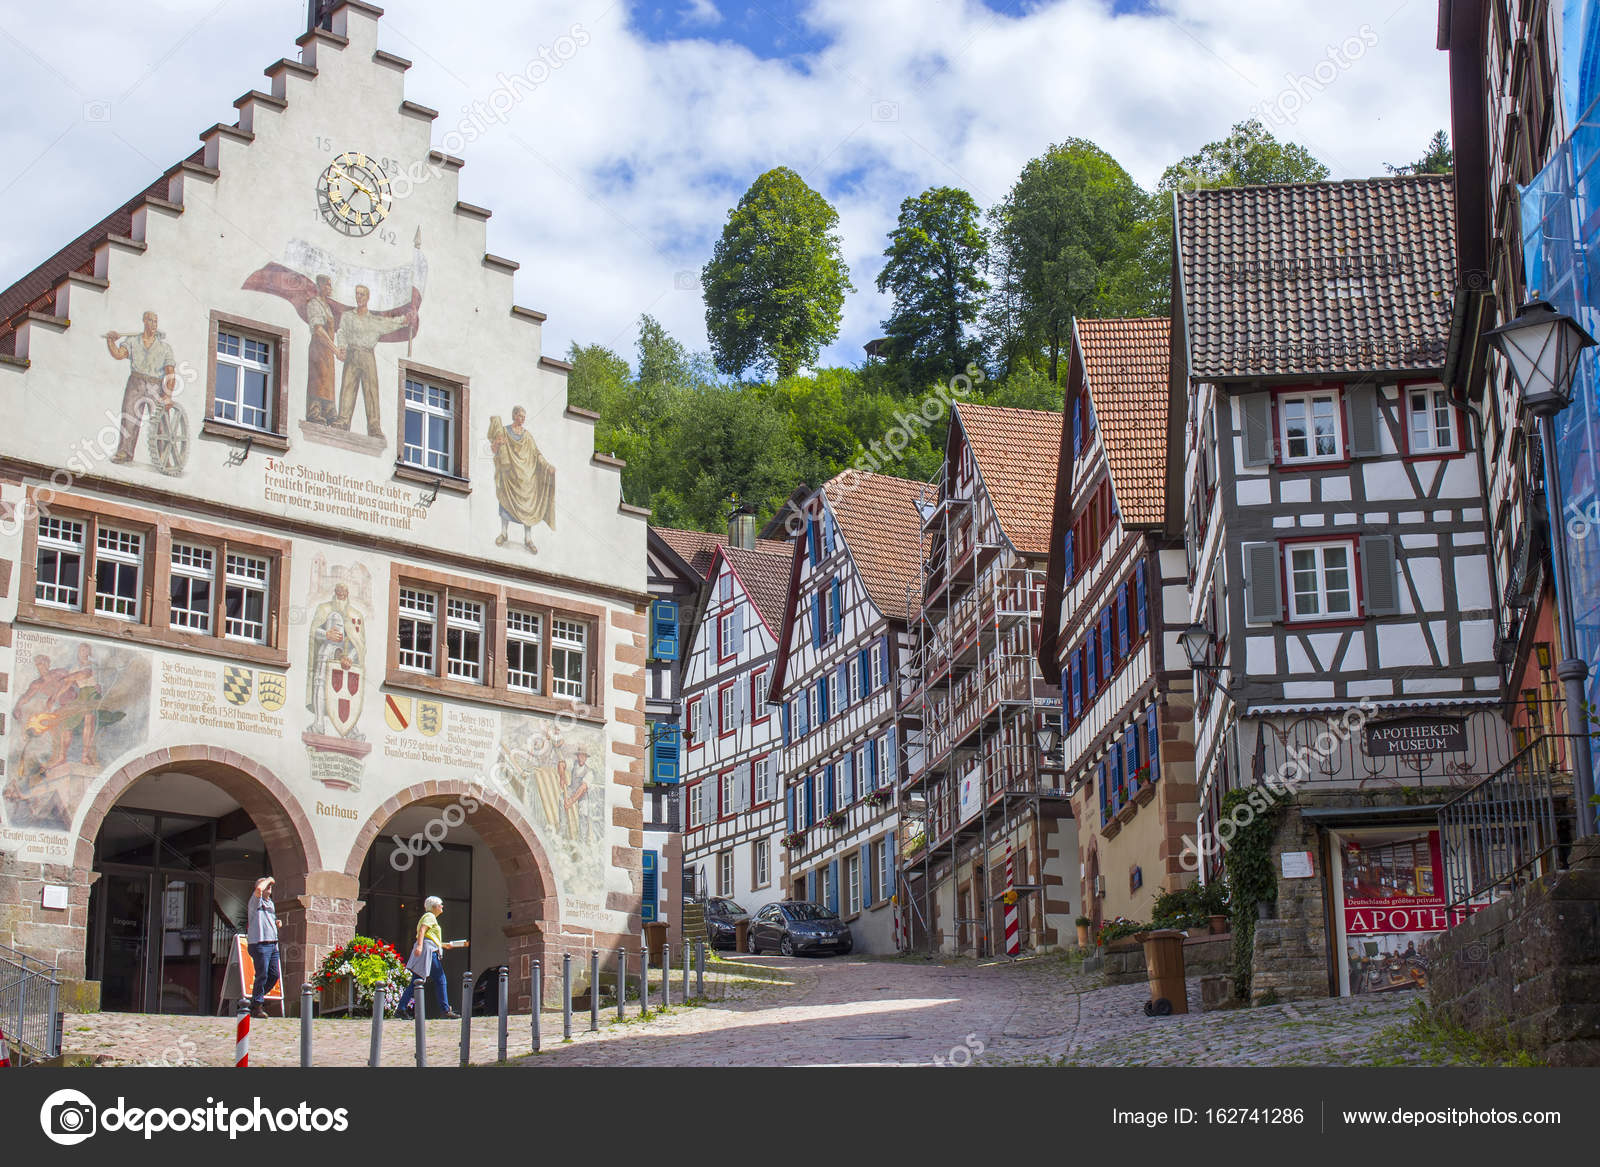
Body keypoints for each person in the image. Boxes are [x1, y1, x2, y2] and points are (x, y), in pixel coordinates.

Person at [104, 310, 178, 464]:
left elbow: (170, 373)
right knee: (129, 418)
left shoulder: (165, 348)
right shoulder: (133, 341)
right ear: (144, 321)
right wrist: (111, 341)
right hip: (135, 382)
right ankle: (124, 452)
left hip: (155, 385)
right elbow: (119, 354)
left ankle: (164, 458)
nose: (153, 324)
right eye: (150, 320)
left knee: (160, 423)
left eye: (155, 321)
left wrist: (168, 395)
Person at [488, 406, 556, 551]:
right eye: (520, 416)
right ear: (514, 416)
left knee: (527, 506)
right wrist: (498, 443)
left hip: (525, 476)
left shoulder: (527, 436)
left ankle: (528, 538)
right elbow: (494, 449)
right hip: (509, 475)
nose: (522, 419)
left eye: (524, 417)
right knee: (505, 502)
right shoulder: (504, 431)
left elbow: (536, 454)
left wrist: (547, 465)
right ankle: (504, 533)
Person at [396, 896, 464, 1019]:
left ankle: (401, 1008)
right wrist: (420, 946)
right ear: (434, 907)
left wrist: (444, 945)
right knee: (440, 979)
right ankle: (445, 1010)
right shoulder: (430, 916)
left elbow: (429, 936)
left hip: (427, 950)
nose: (442, 906)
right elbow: (422, 931)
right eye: (440, 904)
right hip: (428, 951)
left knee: (417, 980)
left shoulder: (429, 917)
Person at [334, 284, 386, 436]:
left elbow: (386, 328)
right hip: (352, 351)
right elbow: (341, 332)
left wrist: (405, 320)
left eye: (362, 294)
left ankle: (374, 426)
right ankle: (343, 420)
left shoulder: (373, 320)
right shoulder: (347, 316)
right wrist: (342, 347)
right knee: (348, 386)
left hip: (368, 354)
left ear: (368, 297)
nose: (359, 297)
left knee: (371, 390)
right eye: (357, 294)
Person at [244, 876, 281, 1019]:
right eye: (267, 885)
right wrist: (269, 879)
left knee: (274, 975)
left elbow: (267, 919)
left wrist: (276, 922)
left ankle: (255, 1001)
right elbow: (259, 889)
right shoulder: (255, 901)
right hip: (259, 943)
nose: (269, 886)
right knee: (262, 974)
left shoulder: (270, 903)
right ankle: (257, 1006)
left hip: (272, 943)